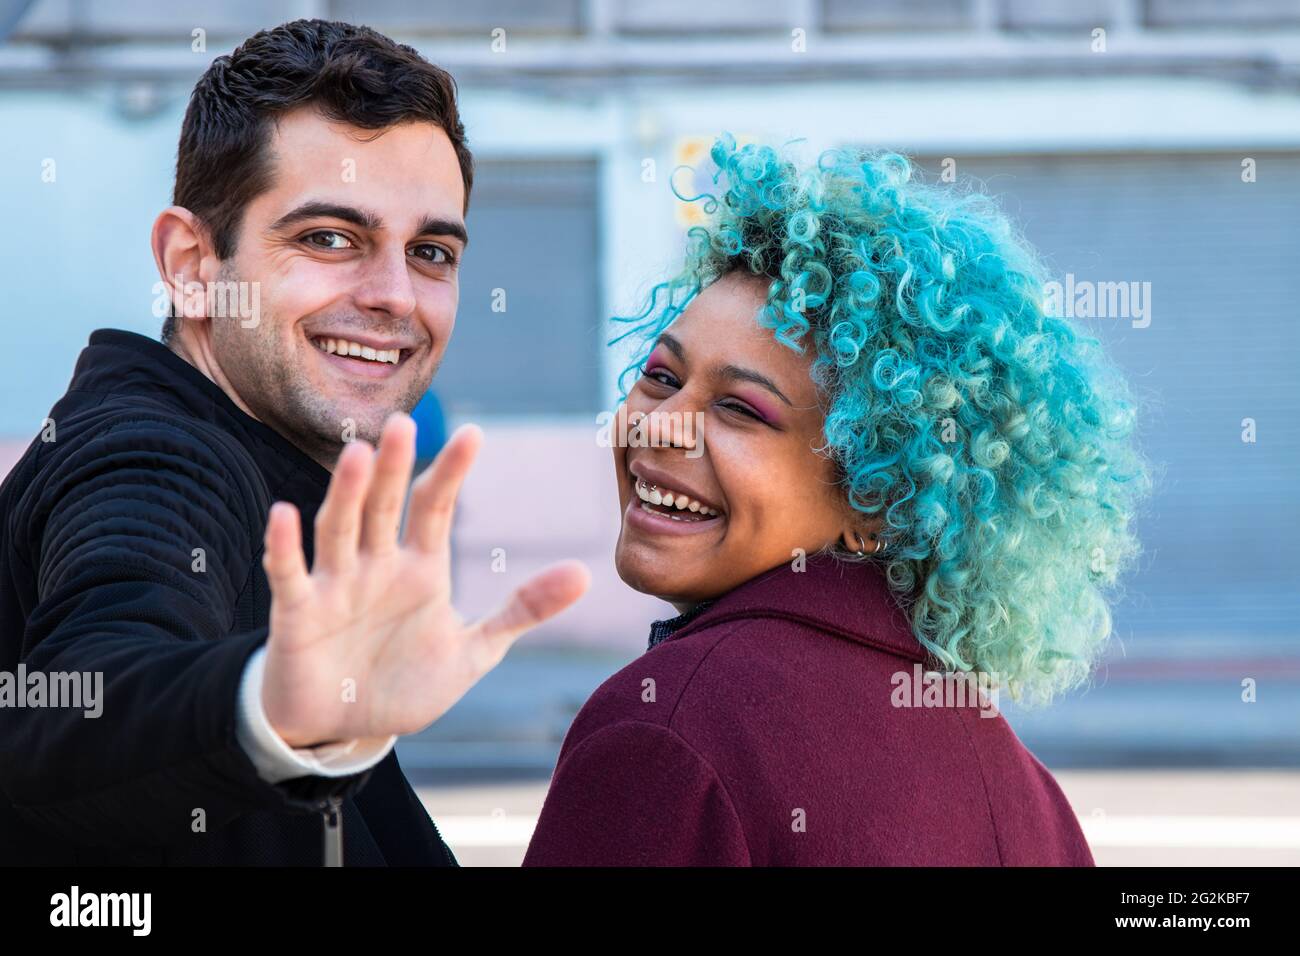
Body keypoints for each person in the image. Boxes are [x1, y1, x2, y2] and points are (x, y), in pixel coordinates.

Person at [0, 19, 589, 866]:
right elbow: (77, 709)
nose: (394, 295)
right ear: (191, 264)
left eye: (430, 251)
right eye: (328, 238)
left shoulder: (269, 455)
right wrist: (268, 710)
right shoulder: (153, 457)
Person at [523, 135, 1151, 865]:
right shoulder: (1026, 794)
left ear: (877, 496)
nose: (658, 424)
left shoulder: (669, 728)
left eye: (740, 410)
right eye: (661, 376)